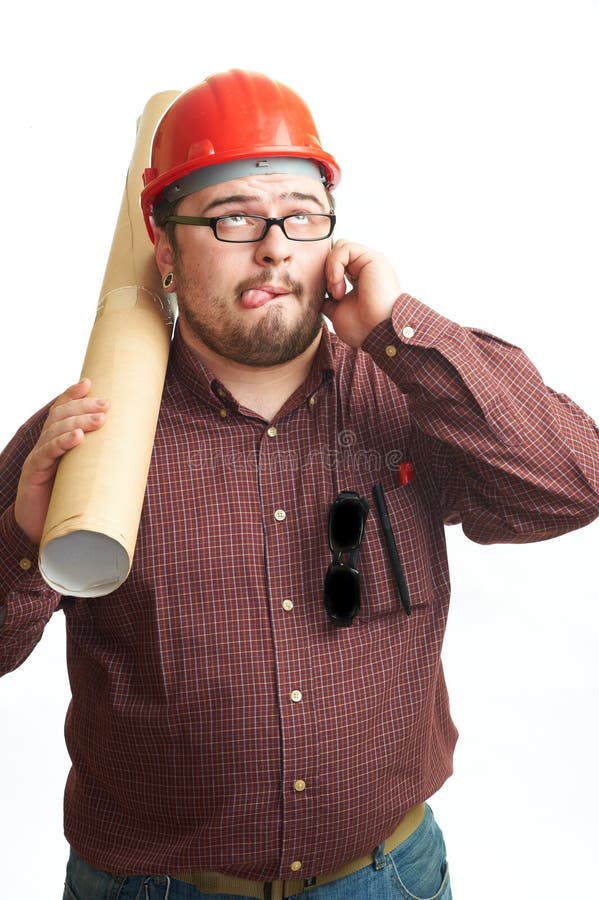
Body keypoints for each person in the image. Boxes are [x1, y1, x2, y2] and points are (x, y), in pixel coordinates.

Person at [1, 69, 598, 900]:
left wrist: (402, 331)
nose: (275, 244)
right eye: (234, 217)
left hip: (386, 877)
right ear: (164, 251)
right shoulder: (87, 437)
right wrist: (23, 546)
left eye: (300, 214)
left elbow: (574, 483)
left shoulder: (405, 391)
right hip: (155, 888)